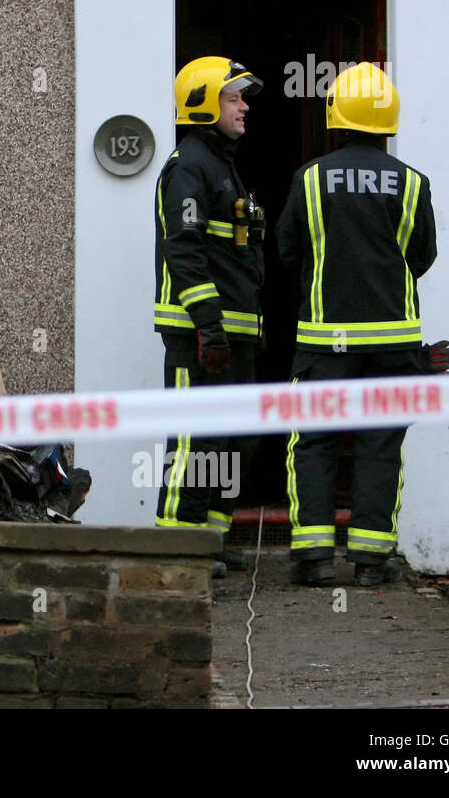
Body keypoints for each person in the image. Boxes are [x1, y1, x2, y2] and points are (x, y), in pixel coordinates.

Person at [276, 63, 438, 587]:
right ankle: (372, 562)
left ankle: (315, 558)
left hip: (325, 343)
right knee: (380, 444)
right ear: (388, 119)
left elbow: (286, 250)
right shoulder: (412, 182)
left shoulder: (309, 177)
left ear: (336, 117)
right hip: (395, 344)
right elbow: (423, 256)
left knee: (314, 442)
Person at [154, 56, 265, 576]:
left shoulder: (222, 164)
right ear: (203, 103)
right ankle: (178, 552)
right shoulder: (189, 166)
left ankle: (211, 540)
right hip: (198, 335)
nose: (244, 106)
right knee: (193, 438)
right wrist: (208, 326)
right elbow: (185, 250)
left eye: (243, 98)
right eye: (233, 97)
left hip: (233, 335)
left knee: (229, 441)